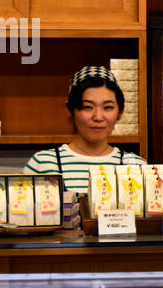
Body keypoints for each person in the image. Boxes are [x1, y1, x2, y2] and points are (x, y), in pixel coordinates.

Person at [25, 66, 144, 194]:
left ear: (120, 112)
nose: (98, 117)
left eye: (108, 107)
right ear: (70, 110)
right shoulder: (42, 163)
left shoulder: (137, 166)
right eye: (87, 107)